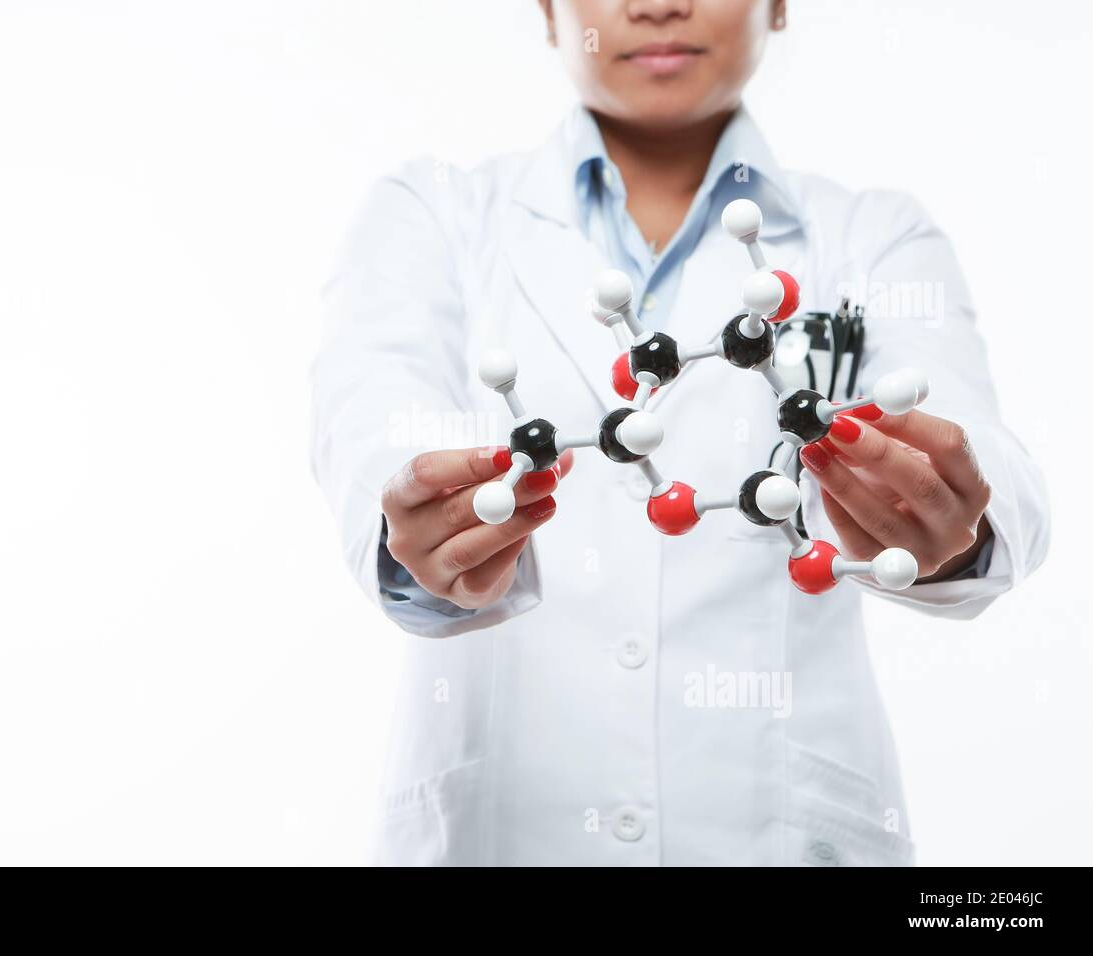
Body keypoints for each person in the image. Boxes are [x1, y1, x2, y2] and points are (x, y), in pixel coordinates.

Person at [309, 0, 1050, 865]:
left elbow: (983, 452)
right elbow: (369, 415)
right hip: (506, 828)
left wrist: (955, 528)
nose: (657, 4)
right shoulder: (433, 215)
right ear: (549, 9)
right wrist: (417, 528)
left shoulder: (875, 238)